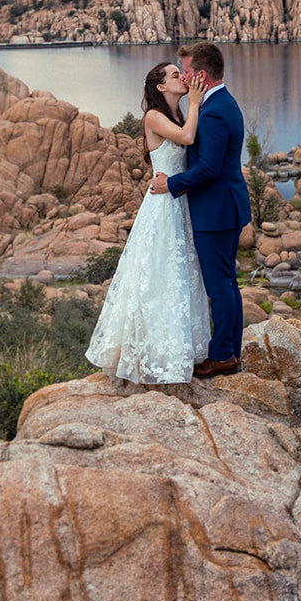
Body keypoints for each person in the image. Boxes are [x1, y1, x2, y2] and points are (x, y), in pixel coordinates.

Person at [85, 63, 210, 384]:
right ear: (160, 88)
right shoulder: (154, 117)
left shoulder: (178, 114)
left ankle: (178, 351)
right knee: (157, 275)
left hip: (178, 200)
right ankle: (149, 356)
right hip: (163, 208)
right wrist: (196, 101)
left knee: (180, 276)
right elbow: (187, 137)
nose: (182, 77)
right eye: (174, 75)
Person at [149, 41, 251, 377]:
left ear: (201, 75)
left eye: (188, 71)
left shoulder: (216, 111)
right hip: (222, 206)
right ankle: (230, 351)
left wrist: (172, 185)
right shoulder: (215, 104)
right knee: (227, 284)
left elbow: (209, 168)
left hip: (216, 211)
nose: (185, 76)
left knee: (220, 286)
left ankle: (222, 355)